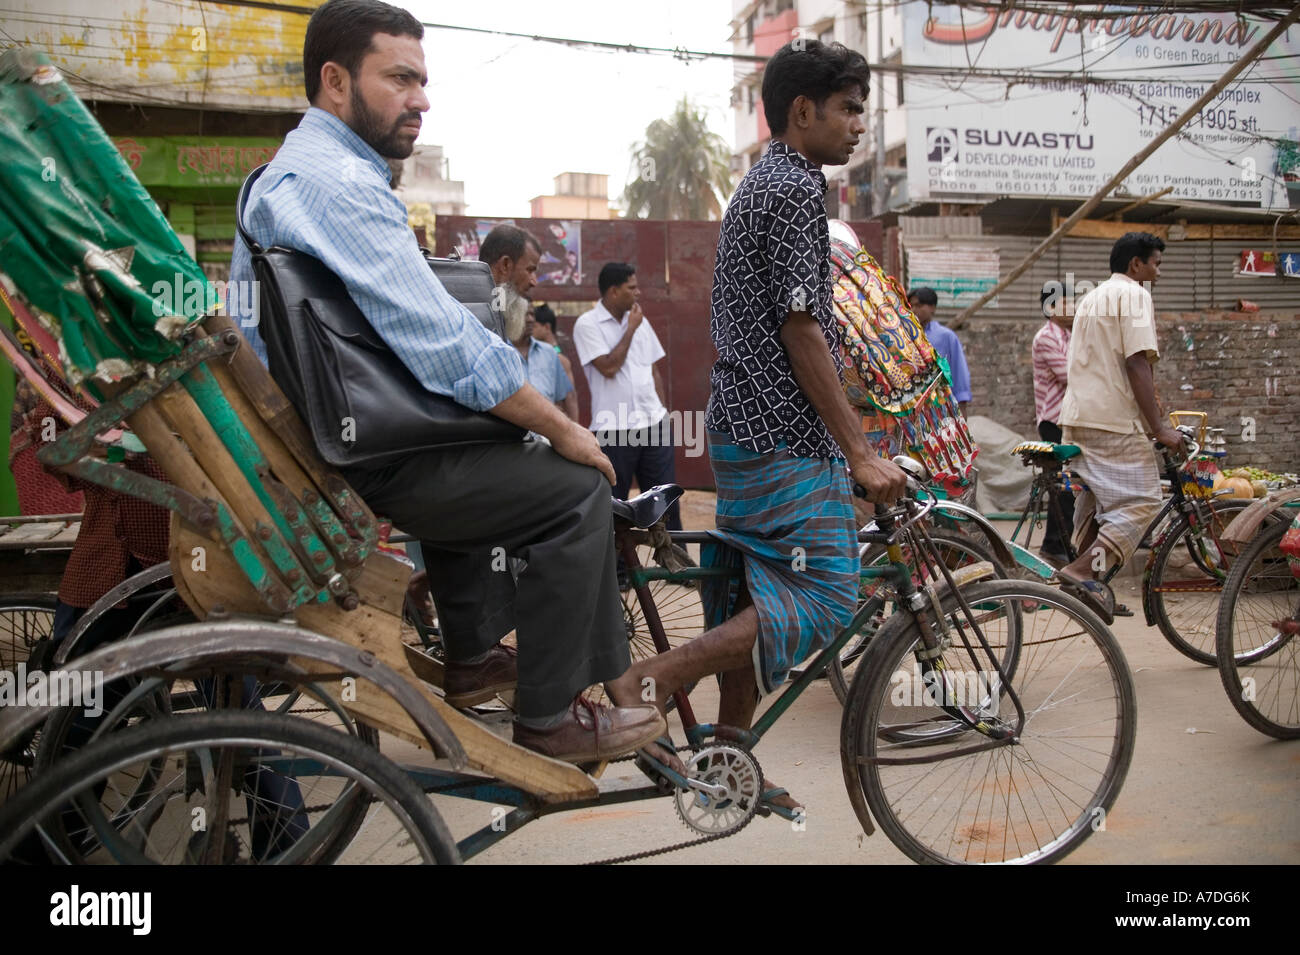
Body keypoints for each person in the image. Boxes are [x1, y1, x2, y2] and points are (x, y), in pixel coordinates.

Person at [227, 0, 663, 763]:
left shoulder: (296, 169)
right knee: (576, 489)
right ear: (335, 81)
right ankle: (550, 716)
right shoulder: (337, 184)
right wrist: (559, 425)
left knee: (487, 424)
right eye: (399, 79)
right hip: (355, 455)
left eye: (422, 81)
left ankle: (471, 655)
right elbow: (442, 343)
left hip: (333, 436)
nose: (421, 99)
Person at [604, 40, 907, 810]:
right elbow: (801, 325)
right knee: (830, 596)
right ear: (801, 112)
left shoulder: (763, 183)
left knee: (755, 595)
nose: (858, 126)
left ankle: (725, 766)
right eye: (847, 110)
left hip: (747, 427)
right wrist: (862, 451)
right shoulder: (798, 189)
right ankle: (653, 678)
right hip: (782, 436)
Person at [1055, 231, 1185, 620]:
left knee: (1097, 506)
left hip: (1078, 417)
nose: (1158, 274)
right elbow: (1135, 363)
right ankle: (1081, 571)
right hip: (1110, 421)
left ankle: (1088, 580)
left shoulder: (1093, 297)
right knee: (1143, 500)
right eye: (1156, 265)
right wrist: (1159, 428)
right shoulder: (1135, 295)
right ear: (1136, 265)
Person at [573, 262, 681, 530]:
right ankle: (619, 573)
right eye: (631, 288)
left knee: (666, 507)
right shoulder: (588, 324)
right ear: (613, 291)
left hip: (654, 426)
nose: (638, 293)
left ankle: (677, 571)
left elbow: (653, 370)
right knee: (615, 510)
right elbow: (608, 367)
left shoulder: (640, 322)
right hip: (614, 429)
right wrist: (630, 329)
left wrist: (663, 413)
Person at [1031, 284, 1076, 567]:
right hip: (1053, 420)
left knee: (1070, 487)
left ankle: (1062, 544)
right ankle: (1052, 547)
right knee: (1062, 487)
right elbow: (1070, 375)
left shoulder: (1071, 335)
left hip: (1069, 418)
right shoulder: (1046, 338)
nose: (1073, 309)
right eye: (1067, 304)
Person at [908, 287, 971, 416]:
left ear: (932, 307)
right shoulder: (905, 336)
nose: (913, 310)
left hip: (941, 408)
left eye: (918, 305)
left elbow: (958, 372)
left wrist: (962, 406)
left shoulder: (946, 337)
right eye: (911, 306)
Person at [529, 303, 577, 390]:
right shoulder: (552, 352)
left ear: (547, 327)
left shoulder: (559, 358)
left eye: (534, 326)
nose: (531, 330)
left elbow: (570, 395)